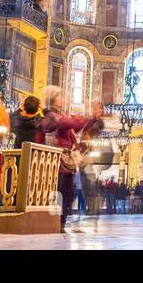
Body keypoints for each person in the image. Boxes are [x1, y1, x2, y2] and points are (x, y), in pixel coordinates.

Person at [40, 85, 102, 232]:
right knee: (60, 192)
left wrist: (81, 146)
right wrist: (91, 117)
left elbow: (74, 129)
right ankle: (55, 222)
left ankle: (61, 222)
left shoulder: (59, 115)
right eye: (58, 96)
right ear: (52, 99)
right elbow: (72, 124)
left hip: (65, 162)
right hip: (56, 162)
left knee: (69, 192)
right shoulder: (51, 117)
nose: (62, 98)